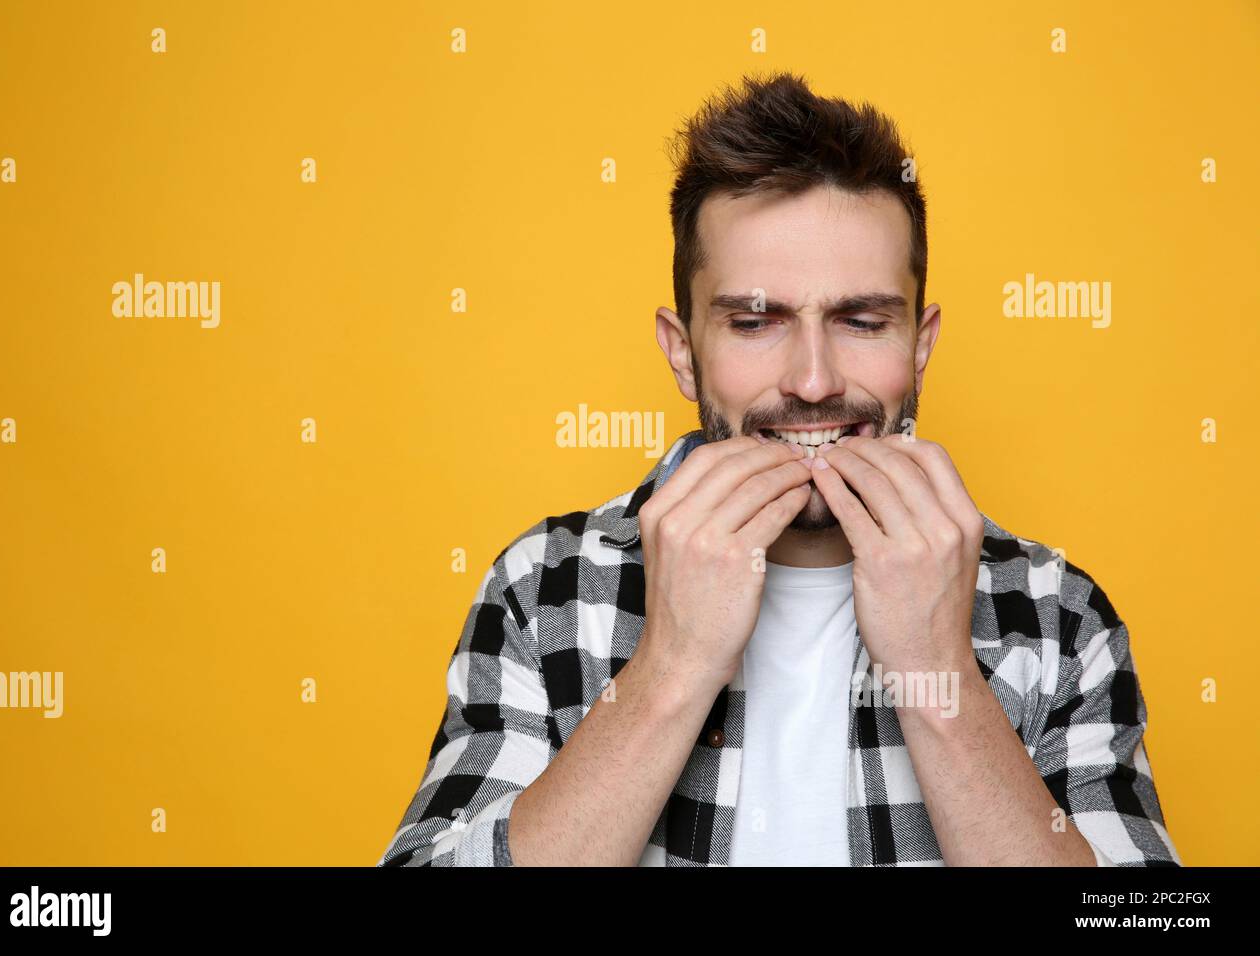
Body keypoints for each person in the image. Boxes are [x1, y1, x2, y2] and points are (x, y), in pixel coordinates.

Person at [378, 72, 1179, 866]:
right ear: (684, 353)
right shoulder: (543, 590)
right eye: (756, 321)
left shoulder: (1058, 616)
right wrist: (672, 670)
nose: (814, 381)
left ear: (920, 347)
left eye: (861, 320)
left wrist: (938, 674)